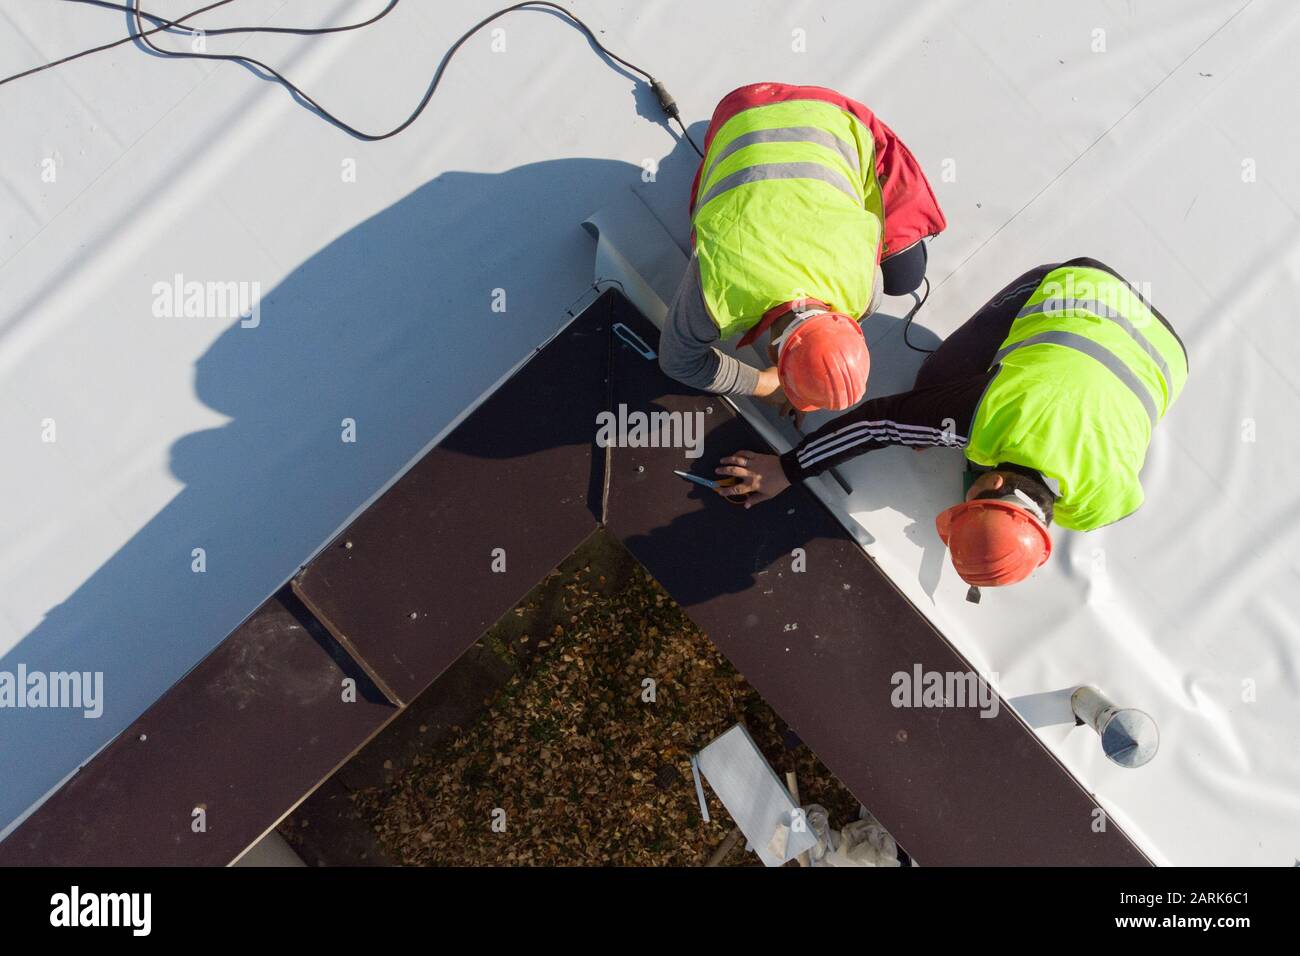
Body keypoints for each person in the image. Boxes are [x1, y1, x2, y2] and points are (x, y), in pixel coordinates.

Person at [713, 258, 1190, 599]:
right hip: (1083, 284)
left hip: (1169, 349)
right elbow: (876, 422)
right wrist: (787, 469)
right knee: (935, 380)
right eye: (970, 502)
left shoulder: (1101, 505)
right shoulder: (993, 411)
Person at [658, 82, 946, 413]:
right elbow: (677, 362)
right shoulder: (716, 291)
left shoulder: (866, 289)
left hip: (830, 113)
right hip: (735, 113)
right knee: (905, 279)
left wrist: (810, 368)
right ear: (770, 355)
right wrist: (766, 384)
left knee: (905, 277)